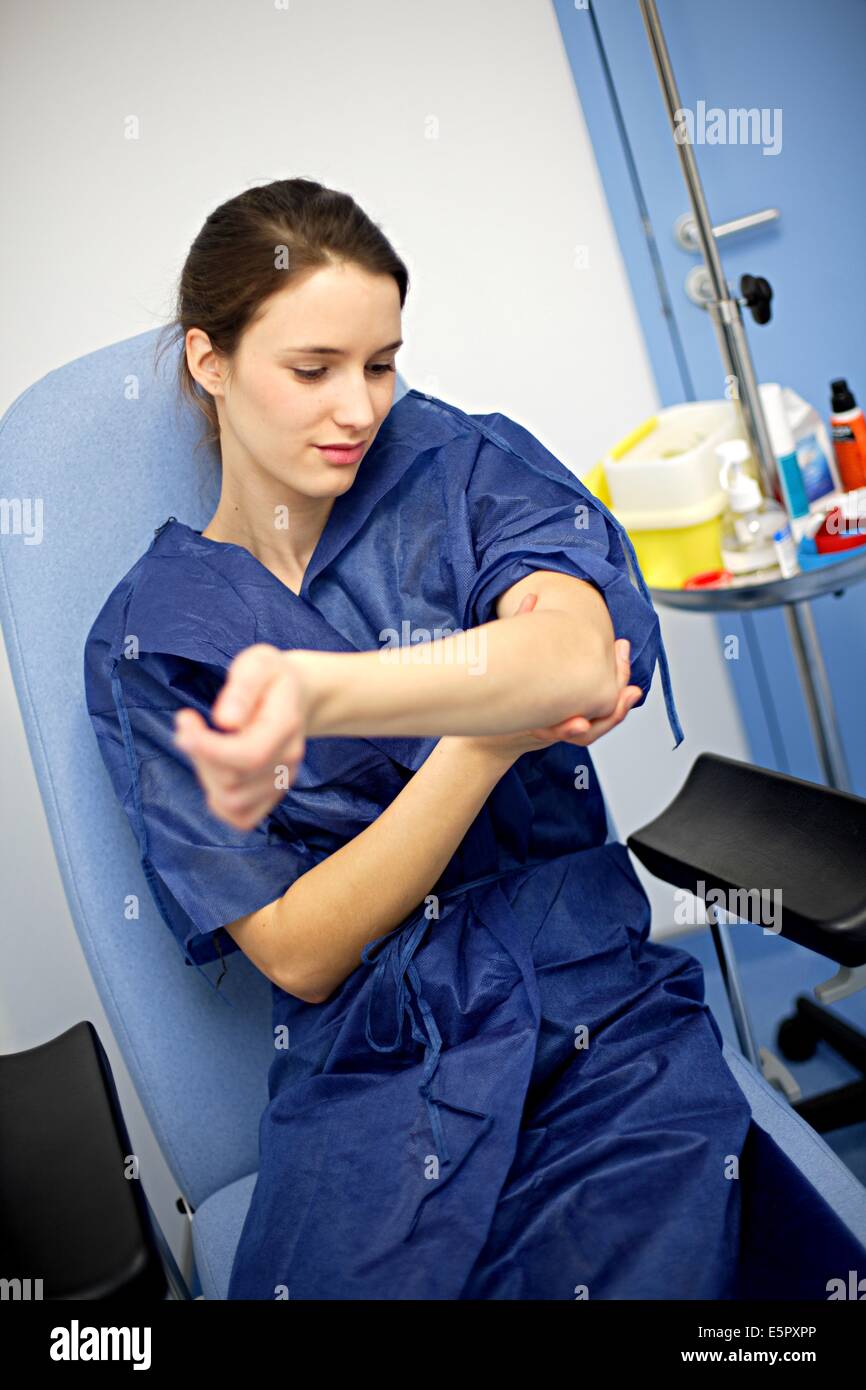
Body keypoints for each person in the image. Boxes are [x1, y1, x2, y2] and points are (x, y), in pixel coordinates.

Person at [84, 178, 866, 1301]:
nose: (358, 406)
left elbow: (567, 662)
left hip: (589, 1006)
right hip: (371, 1060)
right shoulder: (153, 636)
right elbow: (300, 949)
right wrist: (483, 734)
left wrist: (321, 693)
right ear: (209, 362)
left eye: (380, 362)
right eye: (312, 369)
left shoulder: (456, 467)